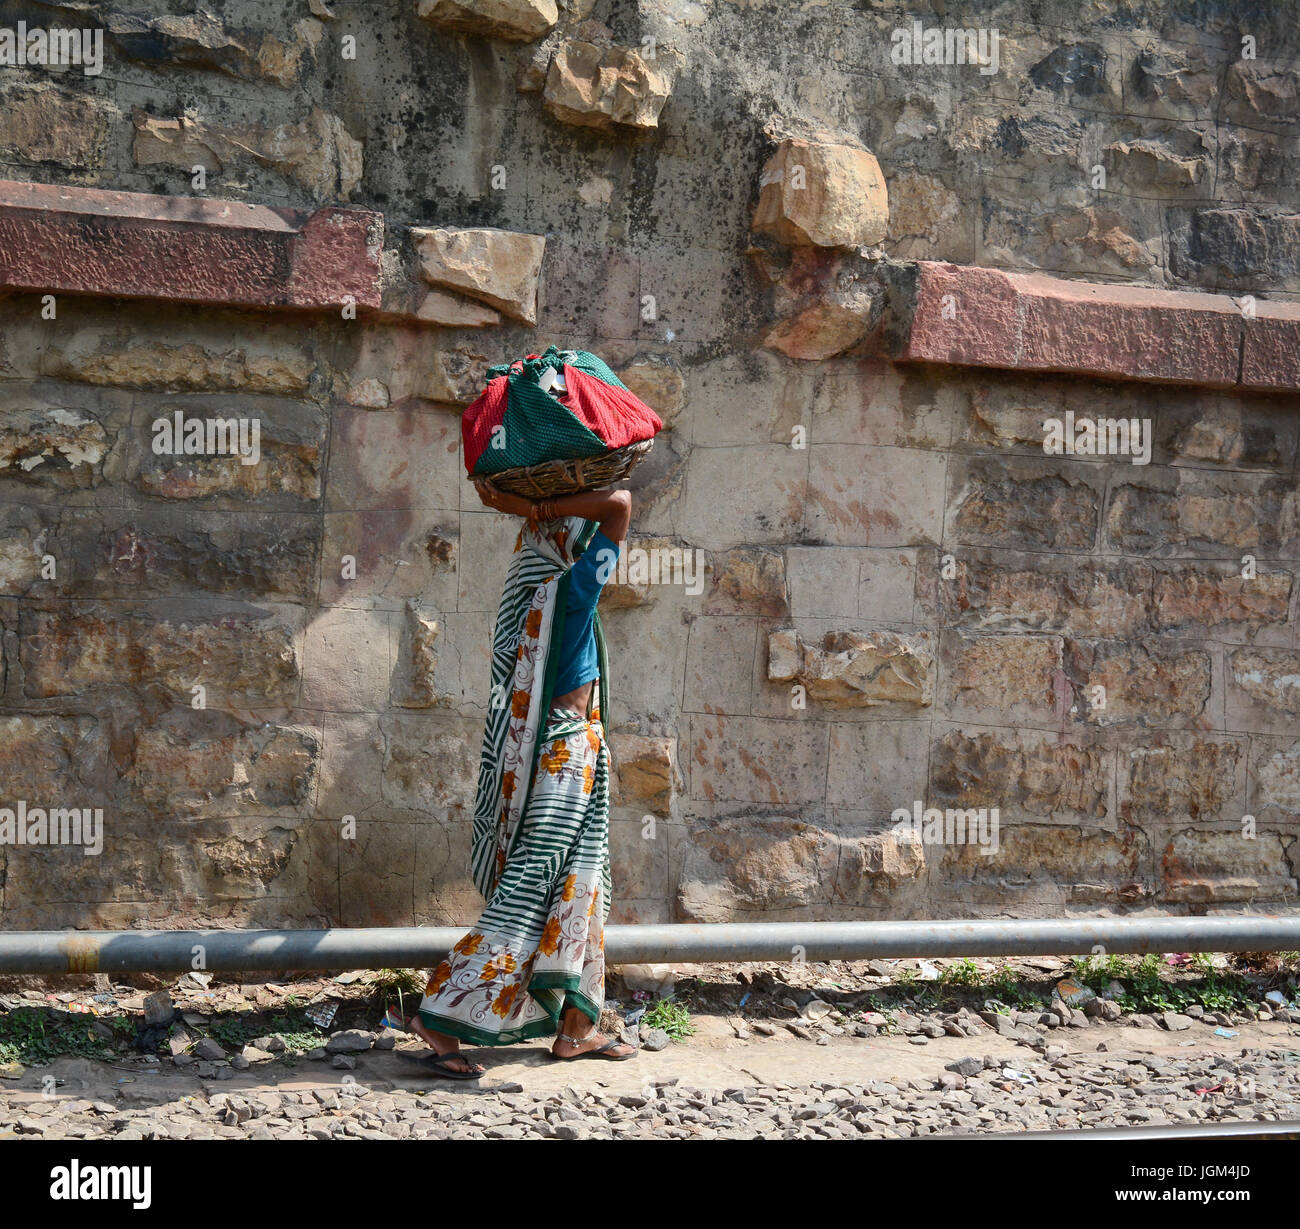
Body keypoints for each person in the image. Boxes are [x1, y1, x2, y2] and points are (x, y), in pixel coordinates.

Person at [391, 480, 638, 1078]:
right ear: (562, 545)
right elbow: (621, 504)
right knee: (529, 889)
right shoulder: (572, 590)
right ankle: (438, 1010)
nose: (589, 545)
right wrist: (541, 505)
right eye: (577, 538)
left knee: (582, 887)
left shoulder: (532, 598)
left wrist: (528, 509)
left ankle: (577, 1029)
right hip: (562, 754)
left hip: (576, 752)